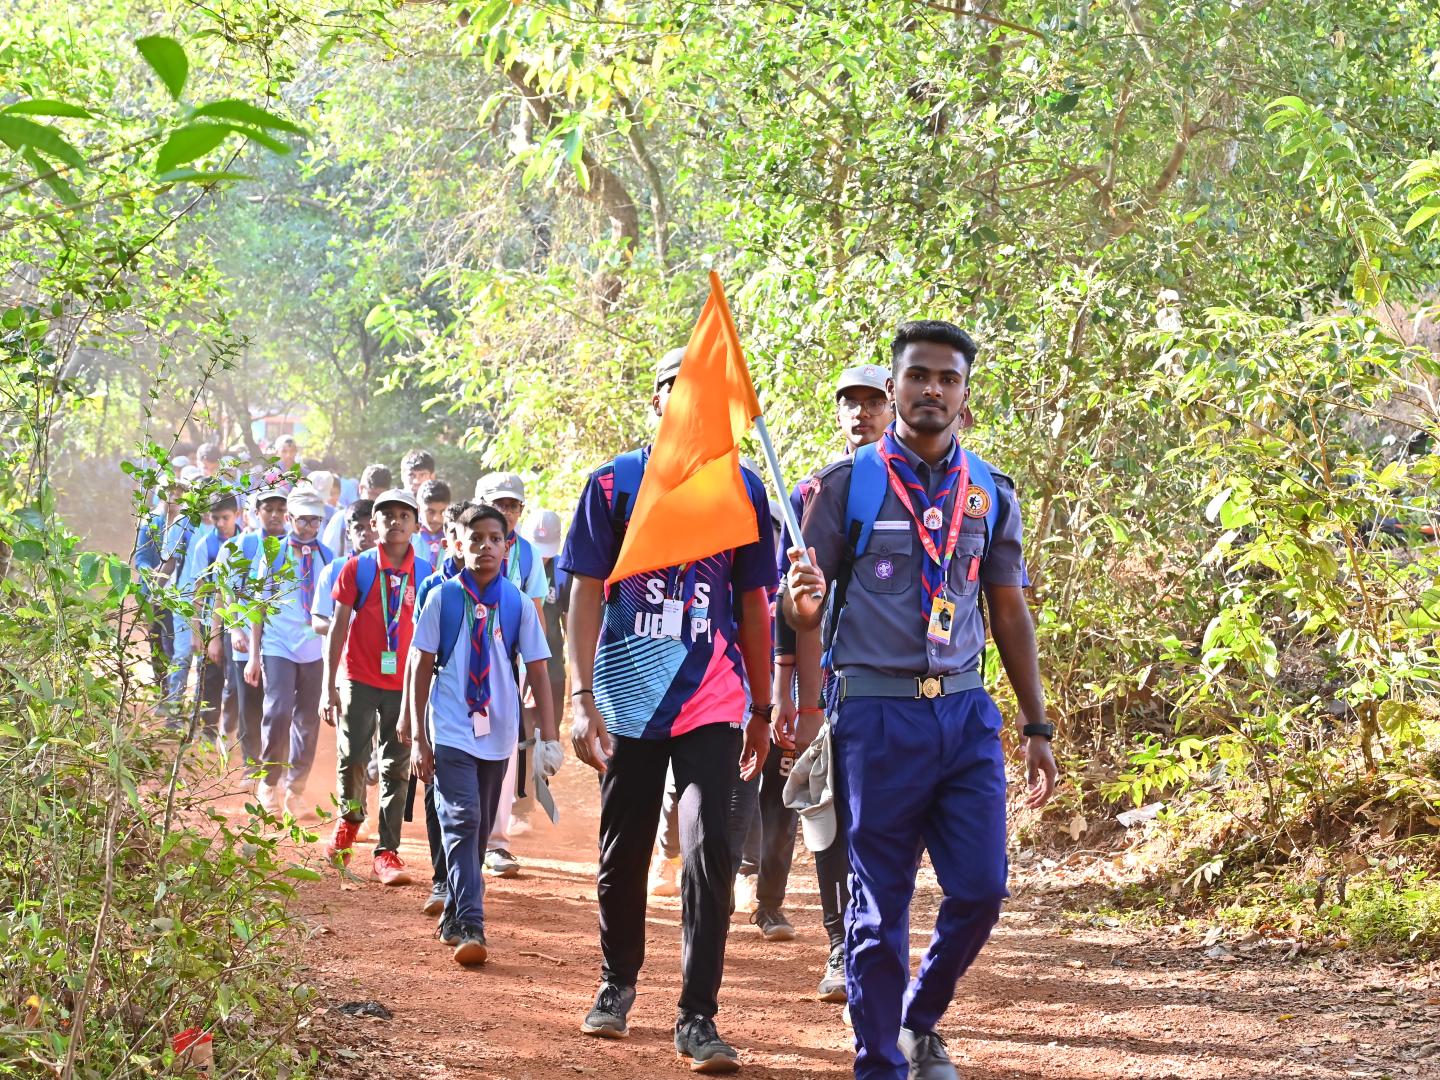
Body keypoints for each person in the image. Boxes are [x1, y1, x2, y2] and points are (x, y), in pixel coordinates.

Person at [783, 320, 1059, 1080]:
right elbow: (804, 612)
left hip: (967, 716)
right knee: (880, 911)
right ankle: (880, 1063)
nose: (931, 389)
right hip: (876, 717)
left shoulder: (991, 492)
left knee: (982, 890)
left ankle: (917, 1018)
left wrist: (1036, 723)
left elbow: (1008, 611)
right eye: (918, 376)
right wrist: (799, 608)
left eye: (947, 378)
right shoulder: (841, 489)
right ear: (895, 386)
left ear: (965, 396)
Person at [561, 345, 777, 1073]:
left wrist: (764, 705)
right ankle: (616, 984)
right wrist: (583, 697)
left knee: (710, 849)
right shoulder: (614, 485)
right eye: (678, 392)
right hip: (627, 691)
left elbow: (753, 602)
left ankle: (697, 1016)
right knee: (622, 852)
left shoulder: (745, 491)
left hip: (712, 695)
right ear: (656, 403)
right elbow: (586, 591)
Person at [767, 363, 894, 997]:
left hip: (908, 683)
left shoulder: (930, 490)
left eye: (874, 402)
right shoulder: (818, 493)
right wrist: (791, 694)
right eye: (851, 402)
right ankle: (843, 945)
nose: (862, 413)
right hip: (836, 680)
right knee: (830, 814)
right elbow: (791, 606)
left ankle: (876, 937)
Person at [407, 503, 562, 966]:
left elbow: (538, 667)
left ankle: (455, 910)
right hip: (452, 726)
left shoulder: (516, 602)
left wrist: (548, 737)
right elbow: (418, 668)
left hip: (499, 731)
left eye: (495, 538)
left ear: (507, 545)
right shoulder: (442, 599)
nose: (485, 546)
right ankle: (473, 923)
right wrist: (418, 735)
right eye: (475, 539)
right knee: (462, 817)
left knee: (474, 833)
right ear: (456, 544)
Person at [323, 488, 431, 884]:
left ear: (416, 525)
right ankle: (350, 820)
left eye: (405, 515)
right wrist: (327, 685)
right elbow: (337, 627)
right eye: (387, 516)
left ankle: (387, 852)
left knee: (396, 764)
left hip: (405, 682)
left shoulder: (428, 574)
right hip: (358, 676)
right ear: (374, 524)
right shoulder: (358, 567)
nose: (396, 522)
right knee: (352, 754)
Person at [473, 471, 549, 879]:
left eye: (513, 505)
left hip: (506, 667)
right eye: (498, 503)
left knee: (504, 751)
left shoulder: (529, 554)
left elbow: (535, 611)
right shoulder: (461, 545)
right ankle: (460, 839)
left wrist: (530, 672)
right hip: (465, 668)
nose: (507, 511)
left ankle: (497, 842)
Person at [245, 486, 334, 816]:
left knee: (308, 721)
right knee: (279, 710)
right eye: (302, 520)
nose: (308, 527)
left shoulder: (328, 556)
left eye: (315, 521)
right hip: (278, 644)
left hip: (314, 647)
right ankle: (269, 783)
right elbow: (258, 605)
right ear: (288, 518)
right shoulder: (272, 552)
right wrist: (254, 655)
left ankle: (296, 789)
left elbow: (336, 608)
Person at [413, 500, 473, 926]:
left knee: (474, 804)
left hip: (486, 706)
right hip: (440, 703)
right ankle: (443, 879)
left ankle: (464, 880)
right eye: (454, 531)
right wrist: (408, 717)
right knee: (438, 793)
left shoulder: (501, 587)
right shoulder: (432, 586)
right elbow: (417, 657)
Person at [211, 488, 289, 767]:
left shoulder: (295, 547)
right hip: (245, 638)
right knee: (250, 704)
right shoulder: (239, 546)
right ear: (255, 514)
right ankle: (251, 764)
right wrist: (233, 631)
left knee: (281, 706)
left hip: (282, 641)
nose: (275, 515)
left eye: (281, 510)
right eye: (268, 509)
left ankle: (278, 765)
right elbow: (226, 591)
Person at [181, 493, 244, 744]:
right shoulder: (204, 545)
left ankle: (233, 729)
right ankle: (207, 731)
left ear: (236, 515)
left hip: (239, 622)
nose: (220, 523)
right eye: (215, 518)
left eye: (225, 518)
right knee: (209, 679)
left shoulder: (247, 541)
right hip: (210, 622)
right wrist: (196, 632)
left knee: (236, 680)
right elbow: (198, 589)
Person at [311, 500, 376, 639]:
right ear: (348, 533)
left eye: (371, 527)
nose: (365, 533)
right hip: (344, 657)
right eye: (358, 528)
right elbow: (317, 622)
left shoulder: (395, 571)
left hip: (386, 655)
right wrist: (355, 633)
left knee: (390, 662)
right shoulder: (333, 570)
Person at [323, 463, 391, 556]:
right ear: (361, 489)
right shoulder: (341, 519)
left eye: (382, 496)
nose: (377, 500)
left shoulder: (391, 521)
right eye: (374, 494)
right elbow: (328, 556)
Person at [414, 478, 451, 569]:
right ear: (418, 508)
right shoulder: (409, 540)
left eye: (442, 512)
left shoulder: (453, 540)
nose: (436, 519)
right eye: (431, 512)